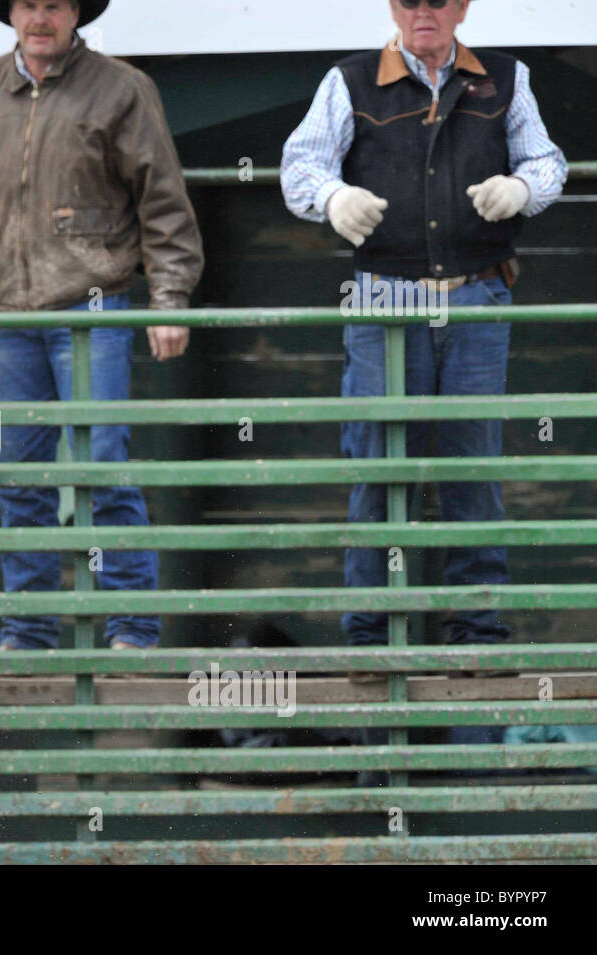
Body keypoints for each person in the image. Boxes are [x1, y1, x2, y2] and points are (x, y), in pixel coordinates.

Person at [281, 1, 566, 679]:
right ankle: (373, 640)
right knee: (381, 467)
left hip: (478, 293)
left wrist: (523, 185)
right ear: (392, 7)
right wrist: (330, 198)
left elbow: (548, 161)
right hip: (385, 295)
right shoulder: (348, 81)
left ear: (462, 6)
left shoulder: (506, 78)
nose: (423, 13)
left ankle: (477, 635)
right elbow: (299, 168)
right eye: (409, 0)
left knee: (475, 471)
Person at [0, 0, 204, 651]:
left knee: (103, 461)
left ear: (76, 14)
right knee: (19, 471)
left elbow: (163, 198)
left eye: (55, 5)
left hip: (91, 302)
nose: (40, 17)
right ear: (11, 14)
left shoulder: (123, 87)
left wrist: (171, 296)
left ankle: (132, 625)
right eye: (29, 5)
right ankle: (31, 628)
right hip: (4, 308)